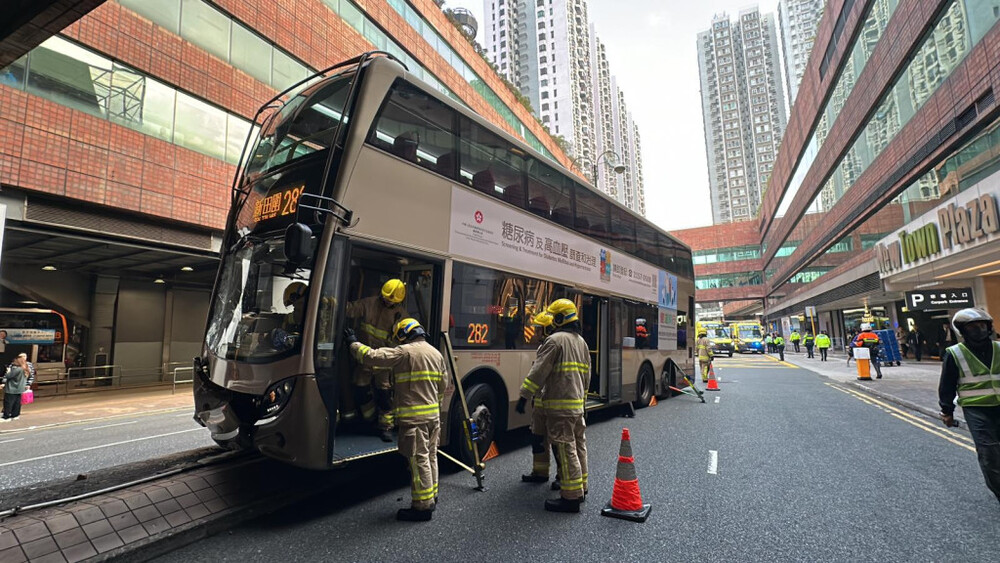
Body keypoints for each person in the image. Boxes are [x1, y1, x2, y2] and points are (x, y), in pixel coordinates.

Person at [345, 317, 448, 521]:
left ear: (404, 334)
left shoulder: (405, 352)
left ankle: (422, 507)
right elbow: (443, 386)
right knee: (431, 456)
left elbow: (374, 357)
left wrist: (353, 343)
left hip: (415, 419)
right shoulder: (436, 354)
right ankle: (432, 496)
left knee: (418, 461)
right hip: (433, 417)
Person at [515, 298, 590, 513]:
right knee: (578, 446)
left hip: (560, 407)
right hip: (576, 406)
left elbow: (538, 372)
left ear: (558, 318)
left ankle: (571, 497)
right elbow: (587, 376)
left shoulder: (555, 340)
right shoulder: (581, 342)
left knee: (565, 449)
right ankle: (582, 487)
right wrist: (583, 402)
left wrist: (523, 396)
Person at [938, 308, 1000, 504]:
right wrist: (947, 411)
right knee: (989, 452)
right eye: (973, 327)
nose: (979, 330)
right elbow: (947, 385)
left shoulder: (999, 348)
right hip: (977, 409)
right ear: (963, 331)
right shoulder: (955, 353)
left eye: (982, 325)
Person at [344, 279, 408, 441]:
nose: (387, 302)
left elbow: (404, 340)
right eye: (385, 298)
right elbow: (351, 309)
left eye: (391, 301)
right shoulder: (370, 303)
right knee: (359, 387)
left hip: (384, 363)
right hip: (365, 359)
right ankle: (369, 418)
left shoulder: (401, 315)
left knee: (384, 395)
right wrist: (333, 301)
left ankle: (386, 427)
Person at [520, 313, 562, 487]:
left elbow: (538, 374)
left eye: (538, 328)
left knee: (557, 442)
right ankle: (540, 472)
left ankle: (563, 477)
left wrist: (524, 396)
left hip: (550, 401)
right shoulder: (544, 346)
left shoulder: (551, 345)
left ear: (546, 329)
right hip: (540, 402)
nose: (534, 331)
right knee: (538, 438)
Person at [1, 356, 28, 421]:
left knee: (8, 403)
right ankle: (15, 415)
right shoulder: (25, 368)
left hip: (12, 389)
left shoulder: (17, 369)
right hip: (20, 389)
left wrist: (8, 371)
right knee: (17, 403)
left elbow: (8, 376)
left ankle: (6, 416)